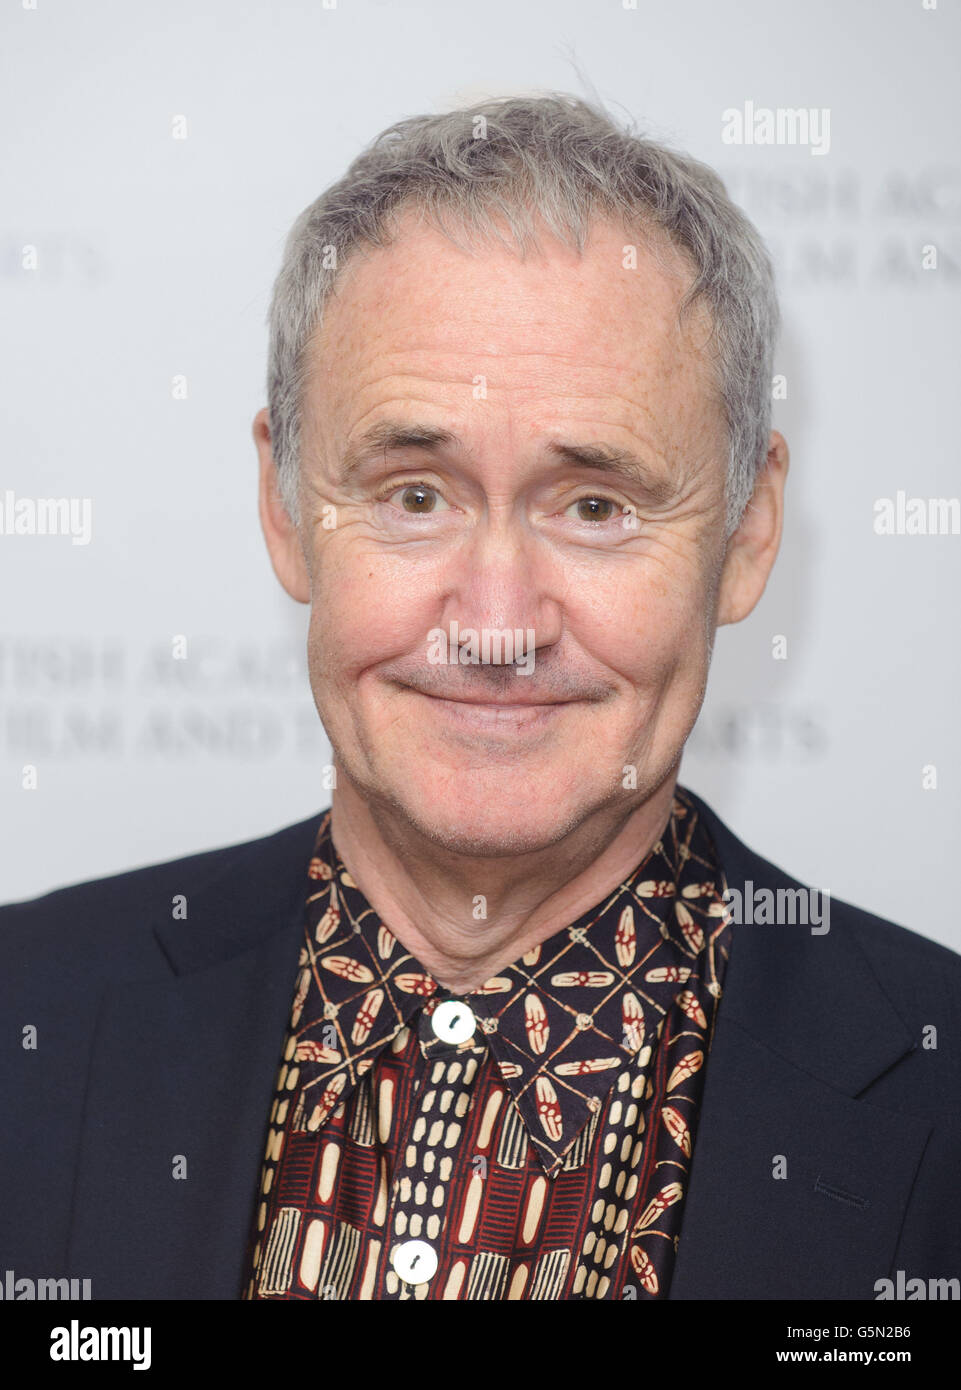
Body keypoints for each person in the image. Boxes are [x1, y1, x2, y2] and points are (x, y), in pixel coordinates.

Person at [2, 93, 959, 1302]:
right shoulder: (24, 1016)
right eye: (414, 495)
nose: (498, 623)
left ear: (749, 530)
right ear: (286, 507)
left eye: (595, 506)